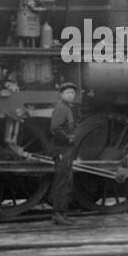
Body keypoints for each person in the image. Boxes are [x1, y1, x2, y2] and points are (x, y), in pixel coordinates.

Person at [49, 82, 80, 225]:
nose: (71, 95)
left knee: (66, 181)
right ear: (61, 94)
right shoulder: (61, 108)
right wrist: (69, 138)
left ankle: (62, 213)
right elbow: (55, 128)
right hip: (62, 149)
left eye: (72, 93)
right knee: (61, 182)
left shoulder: (66, 107)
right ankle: (57, 214)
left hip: (65, 149)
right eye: (68, 93)